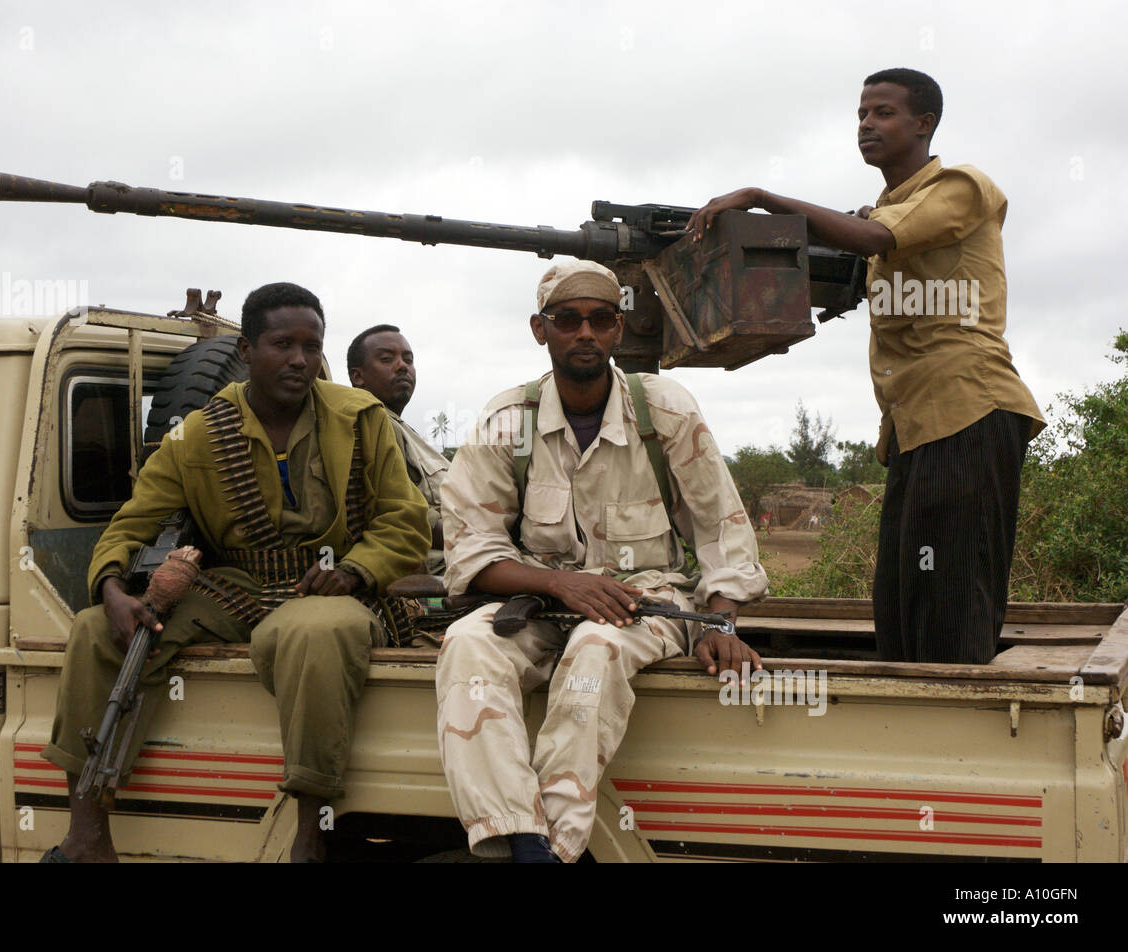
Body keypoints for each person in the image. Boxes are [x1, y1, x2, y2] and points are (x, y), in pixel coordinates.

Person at [40, 282, 430, 863]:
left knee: (312, 632)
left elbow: (405, 521)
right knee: (97, 631)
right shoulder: (200, 433)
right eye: (282, 344)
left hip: (331, 584)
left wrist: (353, 571)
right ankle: (87, 833)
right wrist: (114, 589)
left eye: (311, 346)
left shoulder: (359, 418)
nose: (299, 359)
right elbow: (131, 523)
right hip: (238, 586)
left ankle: (309, 831)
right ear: (245, 350)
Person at [688, 68, 1044, 665]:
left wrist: (761, 199)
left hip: (968, 408)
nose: (867, 125)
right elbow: (850, 254)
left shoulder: (960, 187)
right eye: (861, 115)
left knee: (952, 599)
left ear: (923, 124)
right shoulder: (884, 211)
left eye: (883, 113)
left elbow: (874, 237)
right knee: (902, 600)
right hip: (913, 424)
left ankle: (958, 741)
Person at [436, 260, 768, 863]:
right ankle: (519, 835)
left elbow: (723, 530)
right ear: (541, 330)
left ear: (619, 330)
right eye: (568, 320)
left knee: (599, 647)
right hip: (539, 601)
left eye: (601, 319)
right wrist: (561, 583)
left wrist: (720, 622)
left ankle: (550, 850)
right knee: (465, 643)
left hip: (646, 600)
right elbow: (472, 547)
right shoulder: (507, 422)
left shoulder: (663, 411)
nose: (585, 333)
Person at [347, 324, 449, 574]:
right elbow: (398, 515)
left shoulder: (400, 427)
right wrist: (480, 536)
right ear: (357, 376)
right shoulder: (368, 424)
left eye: (408, 359)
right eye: (386, 359)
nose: (402, 366)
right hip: (436, 571)